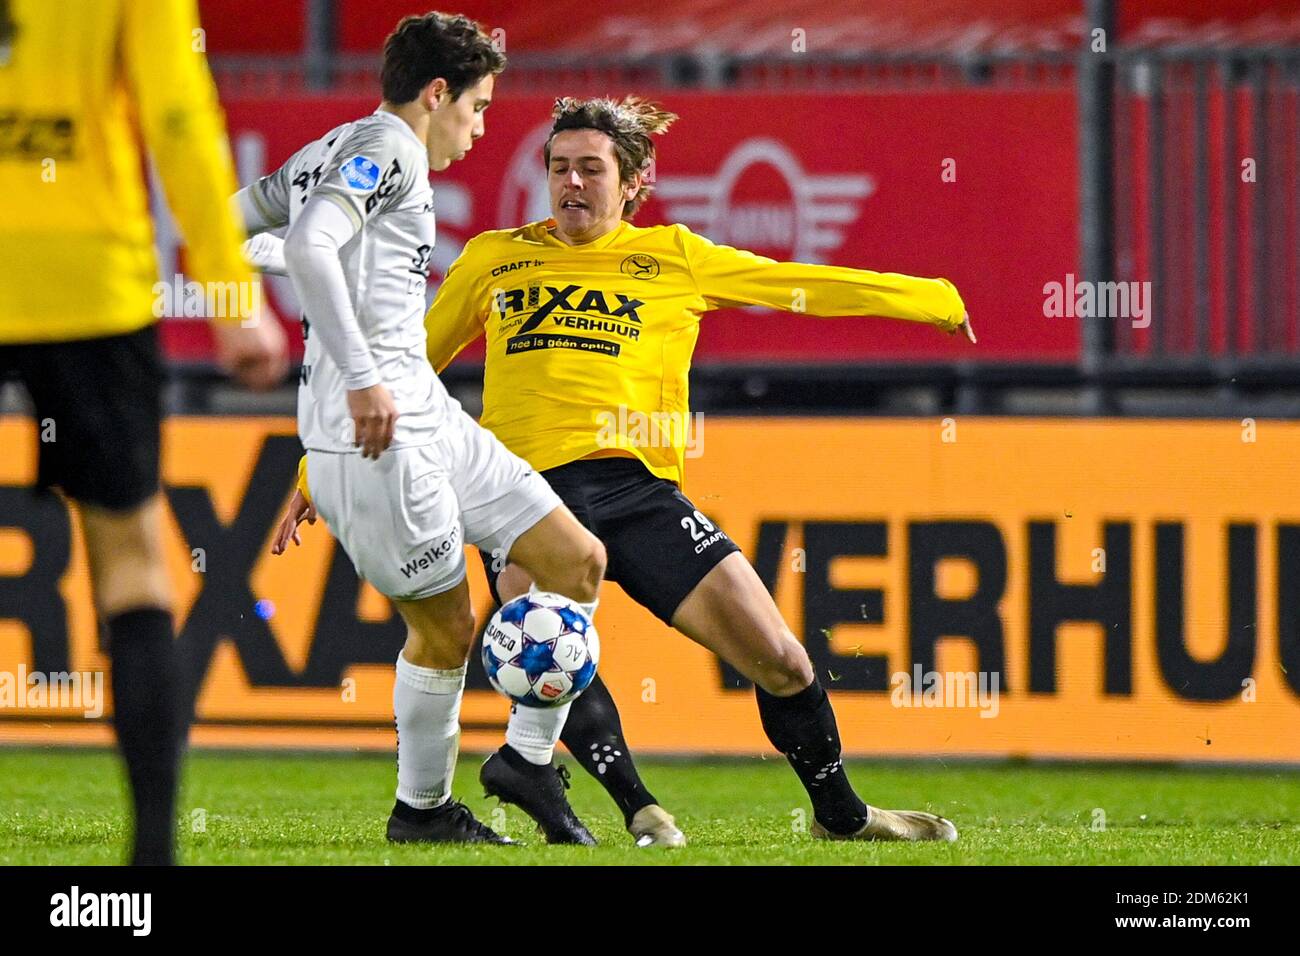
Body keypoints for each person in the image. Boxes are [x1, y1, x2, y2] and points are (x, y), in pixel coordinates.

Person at [276, 95, 975, 842]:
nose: (571, 183)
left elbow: (796, 285)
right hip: (524, 493)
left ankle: (842, 814)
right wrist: (314, 471)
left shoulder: (674, 258)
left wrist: (930, 299)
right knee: (550, 649)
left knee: (781, 658)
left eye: (591, 169)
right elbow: (398, 372)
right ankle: (640, 808)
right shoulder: (493, 257)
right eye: (558, 168)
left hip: (639, 492)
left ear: (635, 181)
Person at [238, 12, 617, 845]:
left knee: (576, 558)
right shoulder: (392, 150)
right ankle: (422, 812)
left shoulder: (329, 149)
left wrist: (291, 263)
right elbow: (310, 244)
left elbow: (240, 230)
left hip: (427, 414)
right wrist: (362, 376)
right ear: (437, 92)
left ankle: (524, 762)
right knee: (444, 629)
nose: (480, 129)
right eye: (477, 107)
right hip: (375, 435)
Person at [0, 0, 289, 864]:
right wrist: (232, 291)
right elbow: (177, 116)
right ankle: (151, 864)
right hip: (86, 282)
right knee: (130, 559)